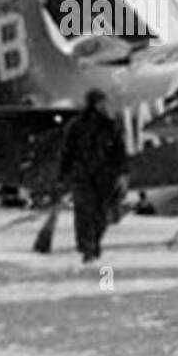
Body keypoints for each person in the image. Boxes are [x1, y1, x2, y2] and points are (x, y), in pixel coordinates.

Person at [58, 88, 128, 263]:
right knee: (85, 212)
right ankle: (87, 247)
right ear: (96, 104)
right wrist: (62, 174)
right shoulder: (77, 125)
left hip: (103, 177)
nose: (106, 106)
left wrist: (122, 173)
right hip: (84, 176)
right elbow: (67, 151)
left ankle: (93, 243)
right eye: (102, 103)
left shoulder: (109, 126)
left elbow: (119, 152)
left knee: (99, 214)